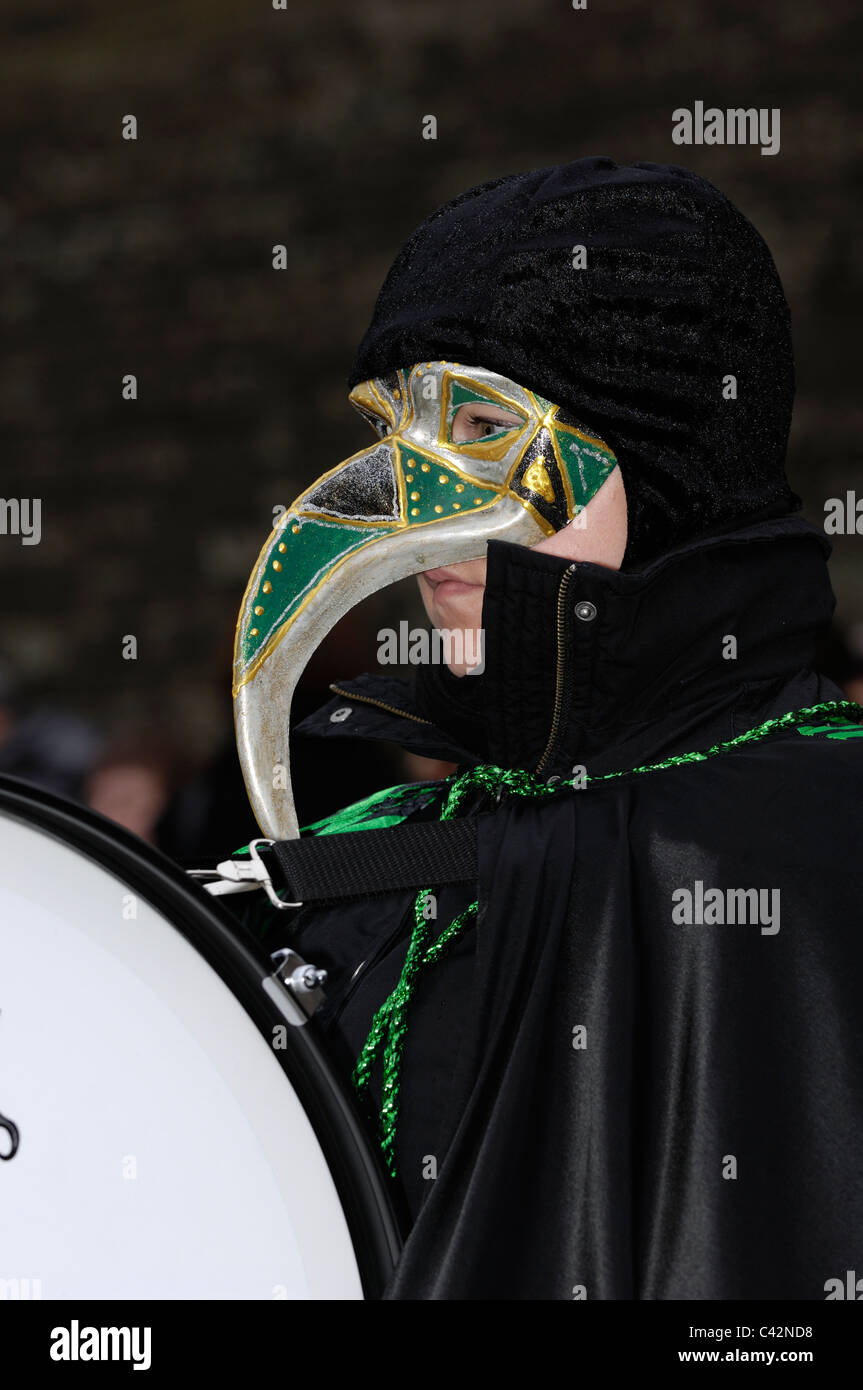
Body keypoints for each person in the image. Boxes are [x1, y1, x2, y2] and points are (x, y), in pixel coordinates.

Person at [238, 158, 863, 1299]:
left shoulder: (827, 854)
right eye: (393, 432)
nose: (424, 524)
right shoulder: (371, 881)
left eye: (481, 424)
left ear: (671, 455)